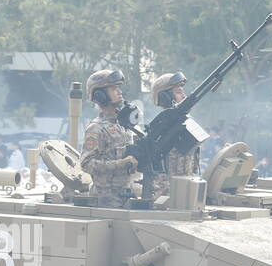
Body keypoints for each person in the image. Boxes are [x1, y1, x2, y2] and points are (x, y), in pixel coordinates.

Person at [80, 68, 138, 206]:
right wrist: (120, 163)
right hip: (105, 200)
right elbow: (86, 164)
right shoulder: (96, 128)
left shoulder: (123, 125)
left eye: (118, 87)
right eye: (113, 89)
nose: (119, 91)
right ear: (100, 95)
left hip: (125, 195)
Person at [148, 71, 202, 199]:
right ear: (165, 97)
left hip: (186, 193)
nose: (184, 96)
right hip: (167, 197)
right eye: (178, 92)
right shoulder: (162, 127)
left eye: (183, 91)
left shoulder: (184, 123)